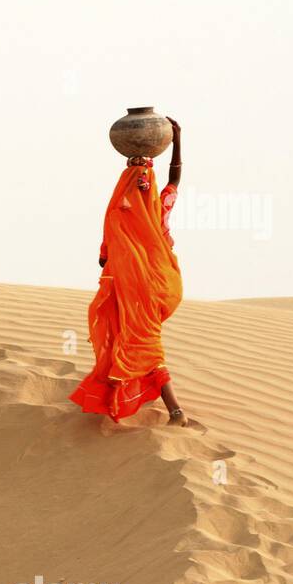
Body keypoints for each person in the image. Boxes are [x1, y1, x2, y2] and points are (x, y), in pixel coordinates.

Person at [70, 117, 188, 425]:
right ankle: (118, 393)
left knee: (143, 344)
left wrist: (118, 258)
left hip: (140, 289)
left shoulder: (119, 213)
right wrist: (177, 140)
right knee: (135, 340)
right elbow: (174, 179)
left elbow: (103, 260)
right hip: (165, 284)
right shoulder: (160, 207)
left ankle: (176, 411)